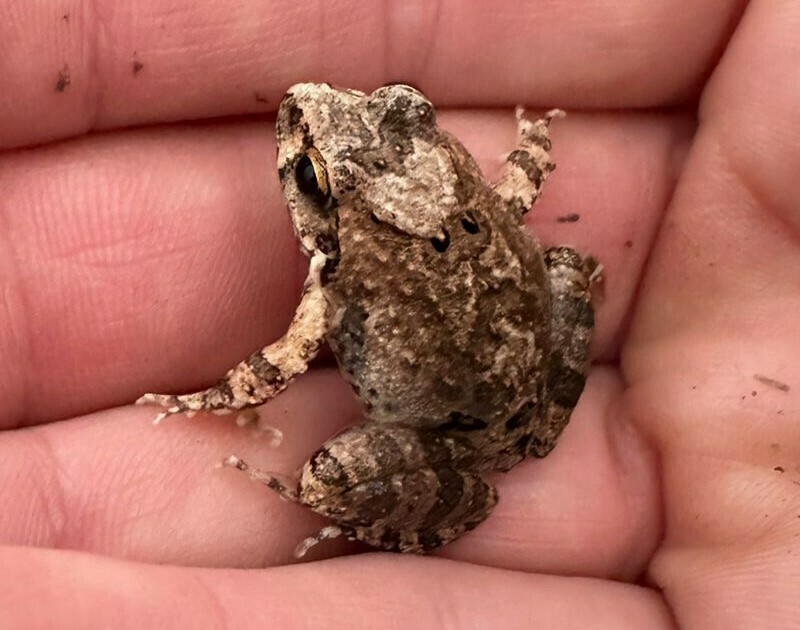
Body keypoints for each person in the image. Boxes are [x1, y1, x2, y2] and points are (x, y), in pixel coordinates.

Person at [0, 2, 797, 627]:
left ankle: (379, 502)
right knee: (560, 268)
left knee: (324, 475)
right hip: (522, 382)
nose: (311, 104)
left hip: (446, 432)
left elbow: (280, 362)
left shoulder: (336, 266)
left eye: (306, 168)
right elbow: (521, 185)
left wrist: (207, 400)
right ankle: (520, 430)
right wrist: (533, 143)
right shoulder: (462, 186)